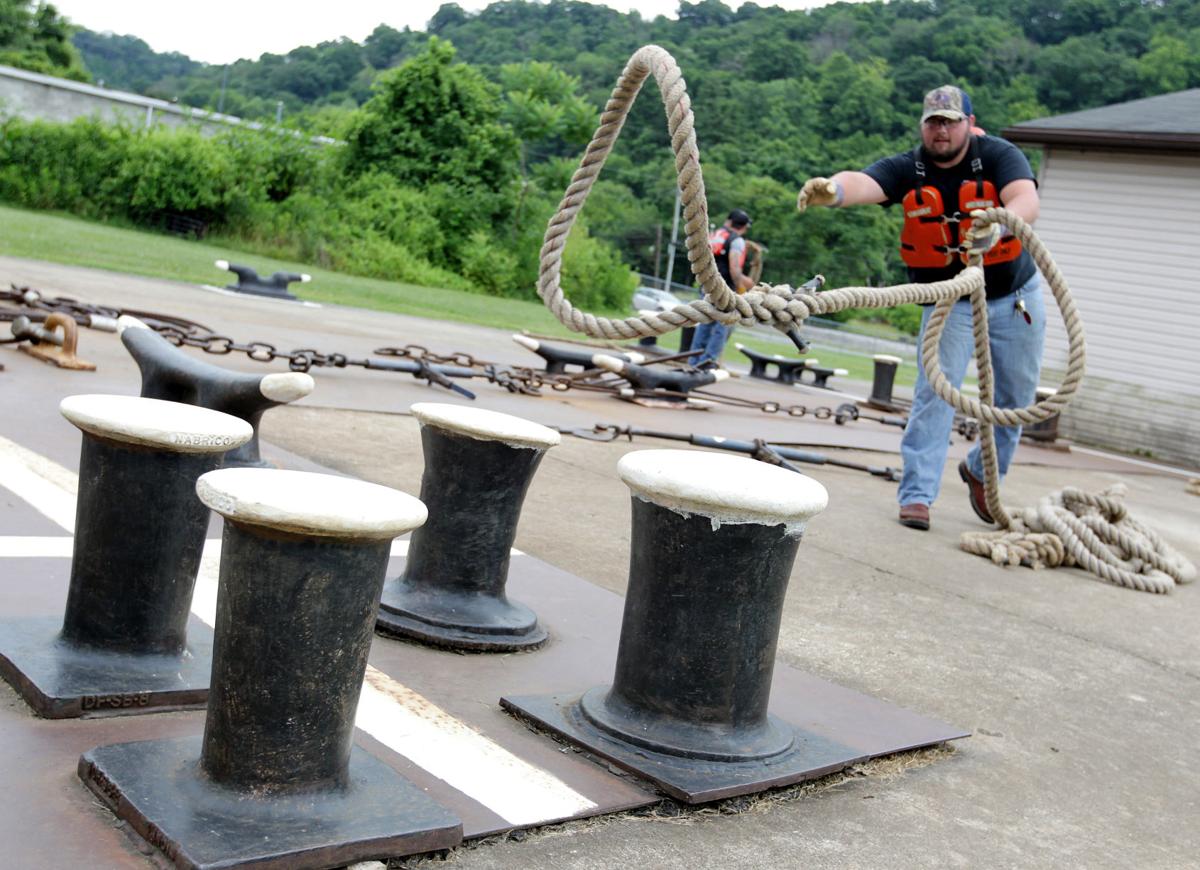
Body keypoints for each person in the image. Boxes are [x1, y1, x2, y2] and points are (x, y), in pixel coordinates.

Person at [796, 85, 1044, 532]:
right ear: (923, 126)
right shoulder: (908, 167)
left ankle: (983, 474)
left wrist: (1001, 228)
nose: (941, 129)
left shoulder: (999, 156)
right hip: (948, 301)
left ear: (969, 122)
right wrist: (831, 190)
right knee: (935, 394)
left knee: (1016, 401)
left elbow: (1026, 200)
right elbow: (863, 182)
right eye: (933, 122)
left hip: (1012, 295)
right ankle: (916, 496)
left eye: (950, 121)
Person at [688, 208, 756, 368]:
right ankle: (708, 362)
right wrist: (746, 285)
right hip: (725, 290)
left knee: (704, 323)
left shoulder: (715, 235)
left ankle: (693, 360)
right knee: (721, 327)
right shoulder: (736, 240)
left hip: (707, 286)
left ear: (729, 221)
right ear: (743, 226)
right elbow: (734, 269)